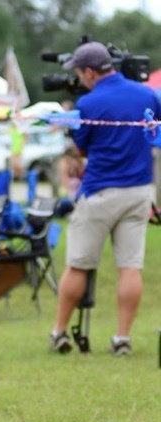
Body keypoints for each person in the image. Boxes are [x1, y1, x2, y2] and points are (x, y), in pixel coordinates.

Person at [48, 42, 160, 356]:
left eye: (79, 73)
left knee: (79, 265)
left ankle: (59, 331)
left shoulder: (89, 104)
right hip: (139, 191)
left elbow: (82, 149)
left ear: (90, 72)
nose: (79, 79)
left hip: (99, 191)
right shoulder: (146, 94)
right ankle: (122, 338)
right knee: (130, 266)